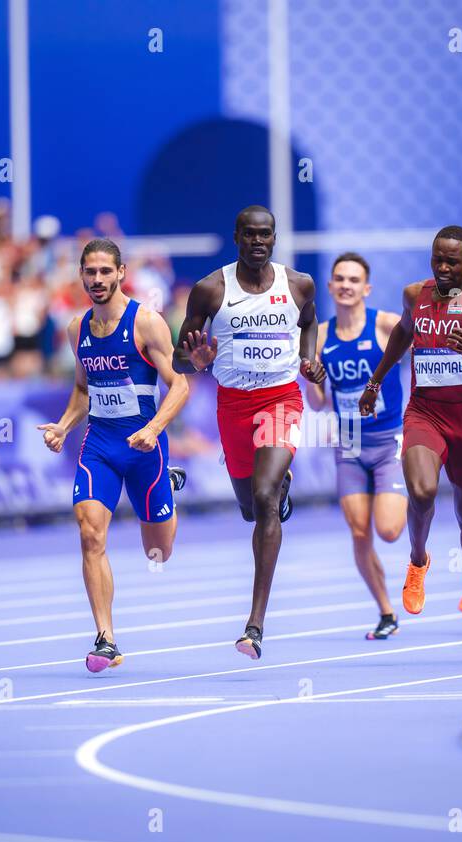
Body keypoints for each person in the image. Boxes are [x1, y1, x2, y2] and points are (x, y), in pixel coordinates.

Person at [171, 206, 325, 661]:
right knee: (247, 509)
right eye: (250, 235)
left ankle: (255, 624)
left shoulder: (297, 284)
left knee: (263, 498)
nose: (259, 242)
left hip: (281, 400)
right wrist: (194, 363)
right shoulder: (210, 290)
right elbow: (180, 358)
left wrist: (307, 356)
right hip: (233, 407)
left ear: (274, 239)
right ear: (236, 237)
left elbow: (310, 320)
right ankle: (278, 483)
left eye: (267, 235)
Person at [358, 226, 462, 658]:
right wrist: (376, 381)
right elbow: (403, 335)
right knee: (422, 490)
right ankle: (418, 559)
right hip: (424, 413)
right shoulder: (415, 294)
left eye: (452, 262)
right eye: (437, 260)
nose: (443, 268)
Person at [39, 238, 191, 672]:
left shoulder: (146, 323)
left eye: (106, 272)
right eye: (91, 272)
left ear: (121, 273)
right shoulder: (76, 329)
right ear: (81, 275)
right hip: (100, 445)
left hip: (146, 449)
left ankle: (169, 486)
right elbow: (83, 390)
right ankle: (105, 638)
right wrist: (63, 427)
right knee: (90, 535)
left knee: (157, 553)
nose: (98, 280)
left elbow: (179, 386)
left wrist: (153, 429)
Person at [304, 252, 408, 640]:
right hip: (348, 444)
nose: (345, 285)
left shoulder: (385, 325)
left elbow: (425, 347)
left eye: (353, 280)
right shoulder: (322, 337)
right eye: (339, 279)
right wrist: (313, 379)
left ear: (366, 288)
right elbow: (318, 403)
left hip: (388, 441)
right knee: (359, 531)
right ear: (330, 287)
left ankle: (417, 520)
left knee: (389, 530)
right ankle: (385, 611)